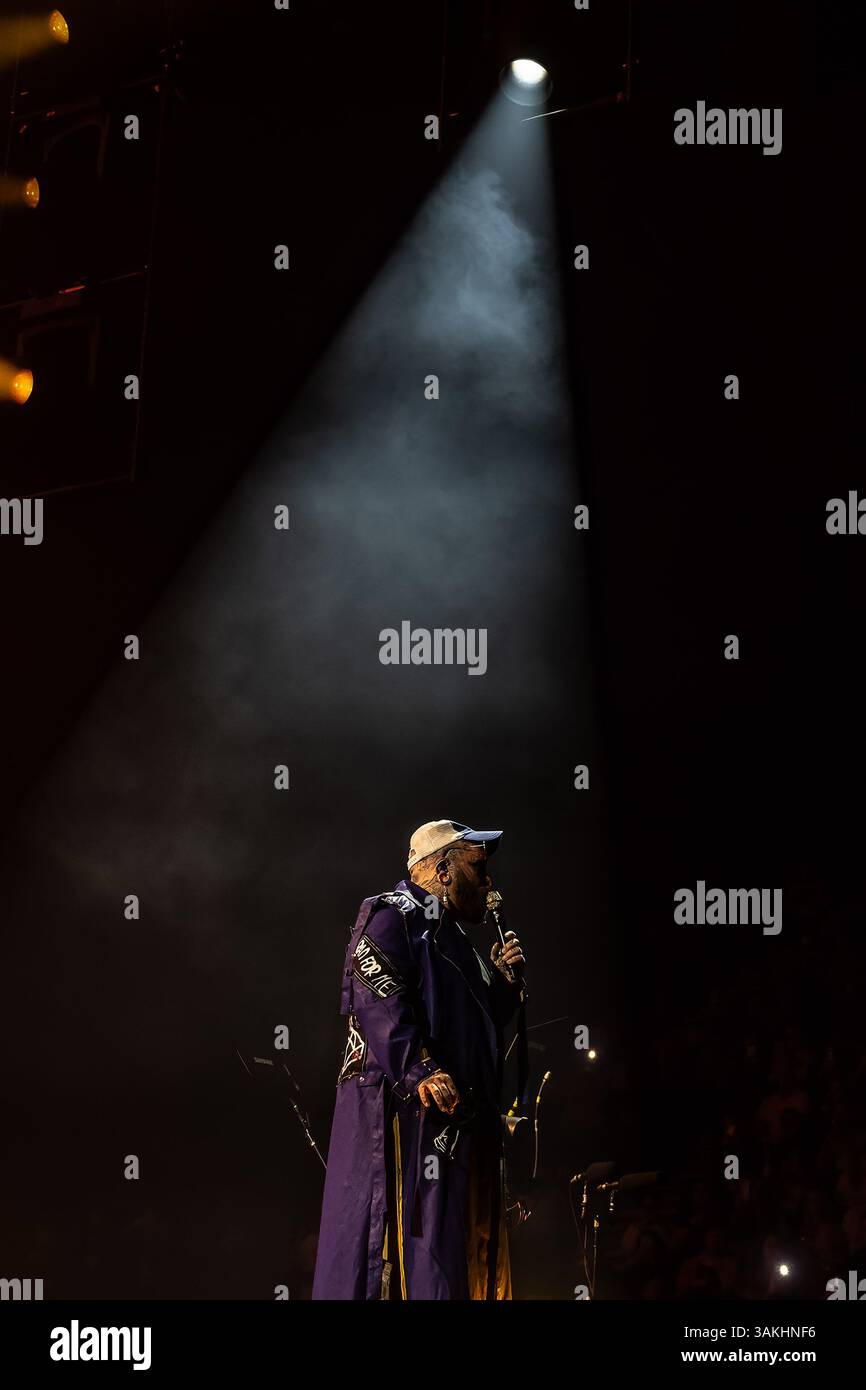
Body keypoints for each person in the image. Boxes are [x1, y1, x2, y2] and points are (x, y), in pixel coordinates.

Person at [312, 819, 526, 1300]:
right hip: (409, 1120)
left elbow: (477, 1026)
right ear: (444, 868)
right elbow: (376, 989)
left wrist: (504, 986)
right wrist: (419, 1068)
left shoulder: (458, 945)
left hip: (455, 1128)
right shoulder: (395, 914)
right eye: (480, 867)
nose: (489, 882)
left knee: (457, 1257)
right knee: (415, 1252)